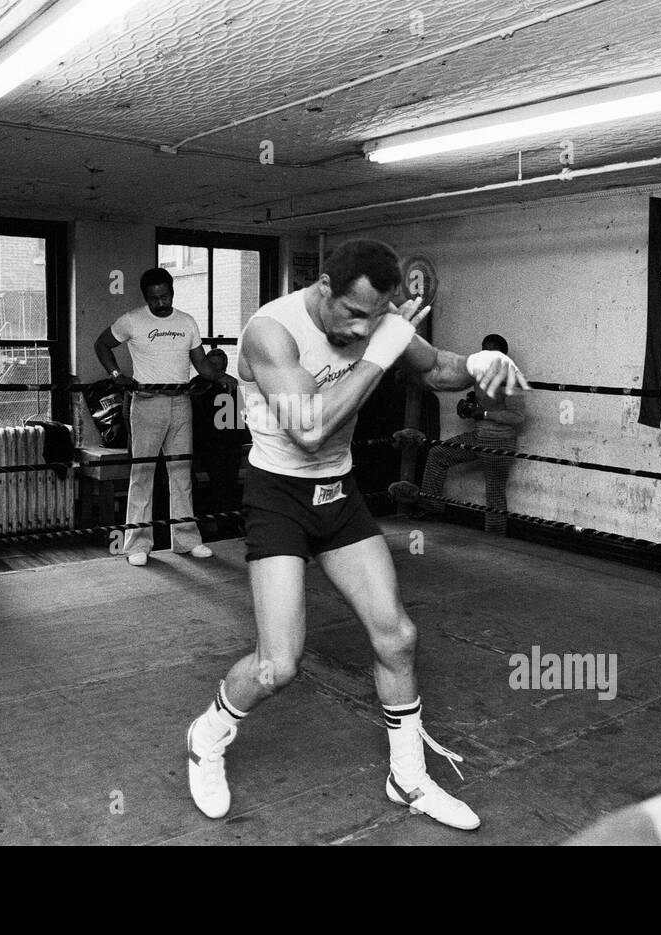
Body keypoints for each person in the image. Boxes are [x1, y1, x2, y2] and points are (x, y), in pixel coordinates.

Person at [184, 239, 528, 831]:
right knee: (280, 664)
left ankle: (408, 776)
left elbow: (436, 367)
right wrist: (380, 352)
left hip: (339, 496)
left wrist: (476, 364)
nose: (364, 326)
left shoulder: (379, 320)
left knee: (397, 637)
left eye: (376, 316)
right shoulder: (273, 332)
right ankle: (207, 733)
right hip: (279, 498)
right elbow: (310, 431)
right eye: (353, 314)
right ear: (325, 289)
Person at [94, 267, 230, 566]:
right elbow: (101, 344)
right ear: (146, 297)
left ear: (172, 292)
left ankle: (186, 540)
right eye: (154, 298)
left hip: (181, 403)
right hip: (146, 403)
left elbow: (202, 365)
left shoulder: (187, 322)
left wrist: (223, 377)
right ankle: (137, 546)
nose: (161, 303)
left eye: (165, 296)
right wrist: (116, 374)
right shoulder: (132, 320)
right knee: (142, 475)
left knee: (181, 474)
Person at [420, 334, 525, 533]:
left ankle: (495, 540)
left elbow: (517, 417)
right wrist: (469, 406)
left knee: (494, 494)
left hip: (500, 443)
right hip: (478, 438)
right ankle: (431, 509)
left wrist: (484, 413)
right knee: (437, 454)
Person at [189, 348, 249, 515]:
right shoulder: (195, 386)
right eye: (212, 365)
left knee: (226, 483)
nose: (216, 370)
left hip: (224, 445)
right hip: (205, 445)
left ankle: (225, 520)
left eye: (220, 367)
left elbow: (237, 421)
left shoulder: (229, 385)